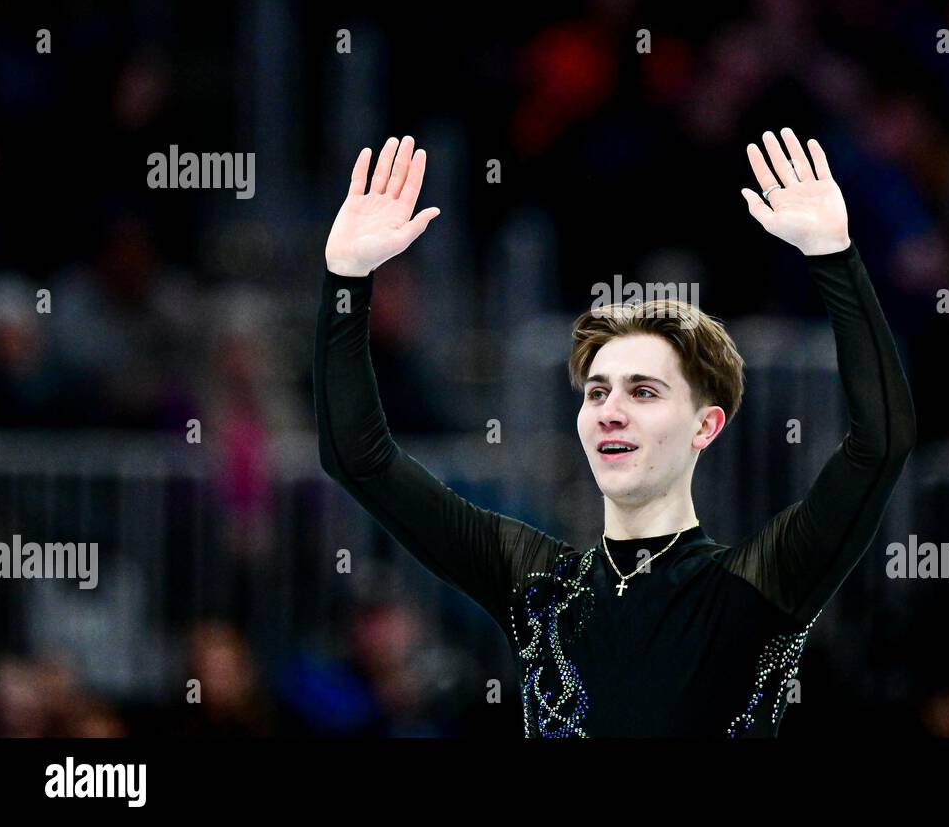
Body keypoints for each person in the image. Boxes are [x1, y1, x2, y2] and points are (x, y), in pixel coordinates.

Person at [315, 128, 916, 736]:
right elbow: (358, 459)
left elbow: (881, 443)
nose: (610, 409)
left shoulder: (757, 588)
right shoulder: (539, 590)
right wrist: (347, 278)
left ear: (705, 426)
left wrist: (834, 256)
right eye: (597, 391)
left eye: (644, 392)